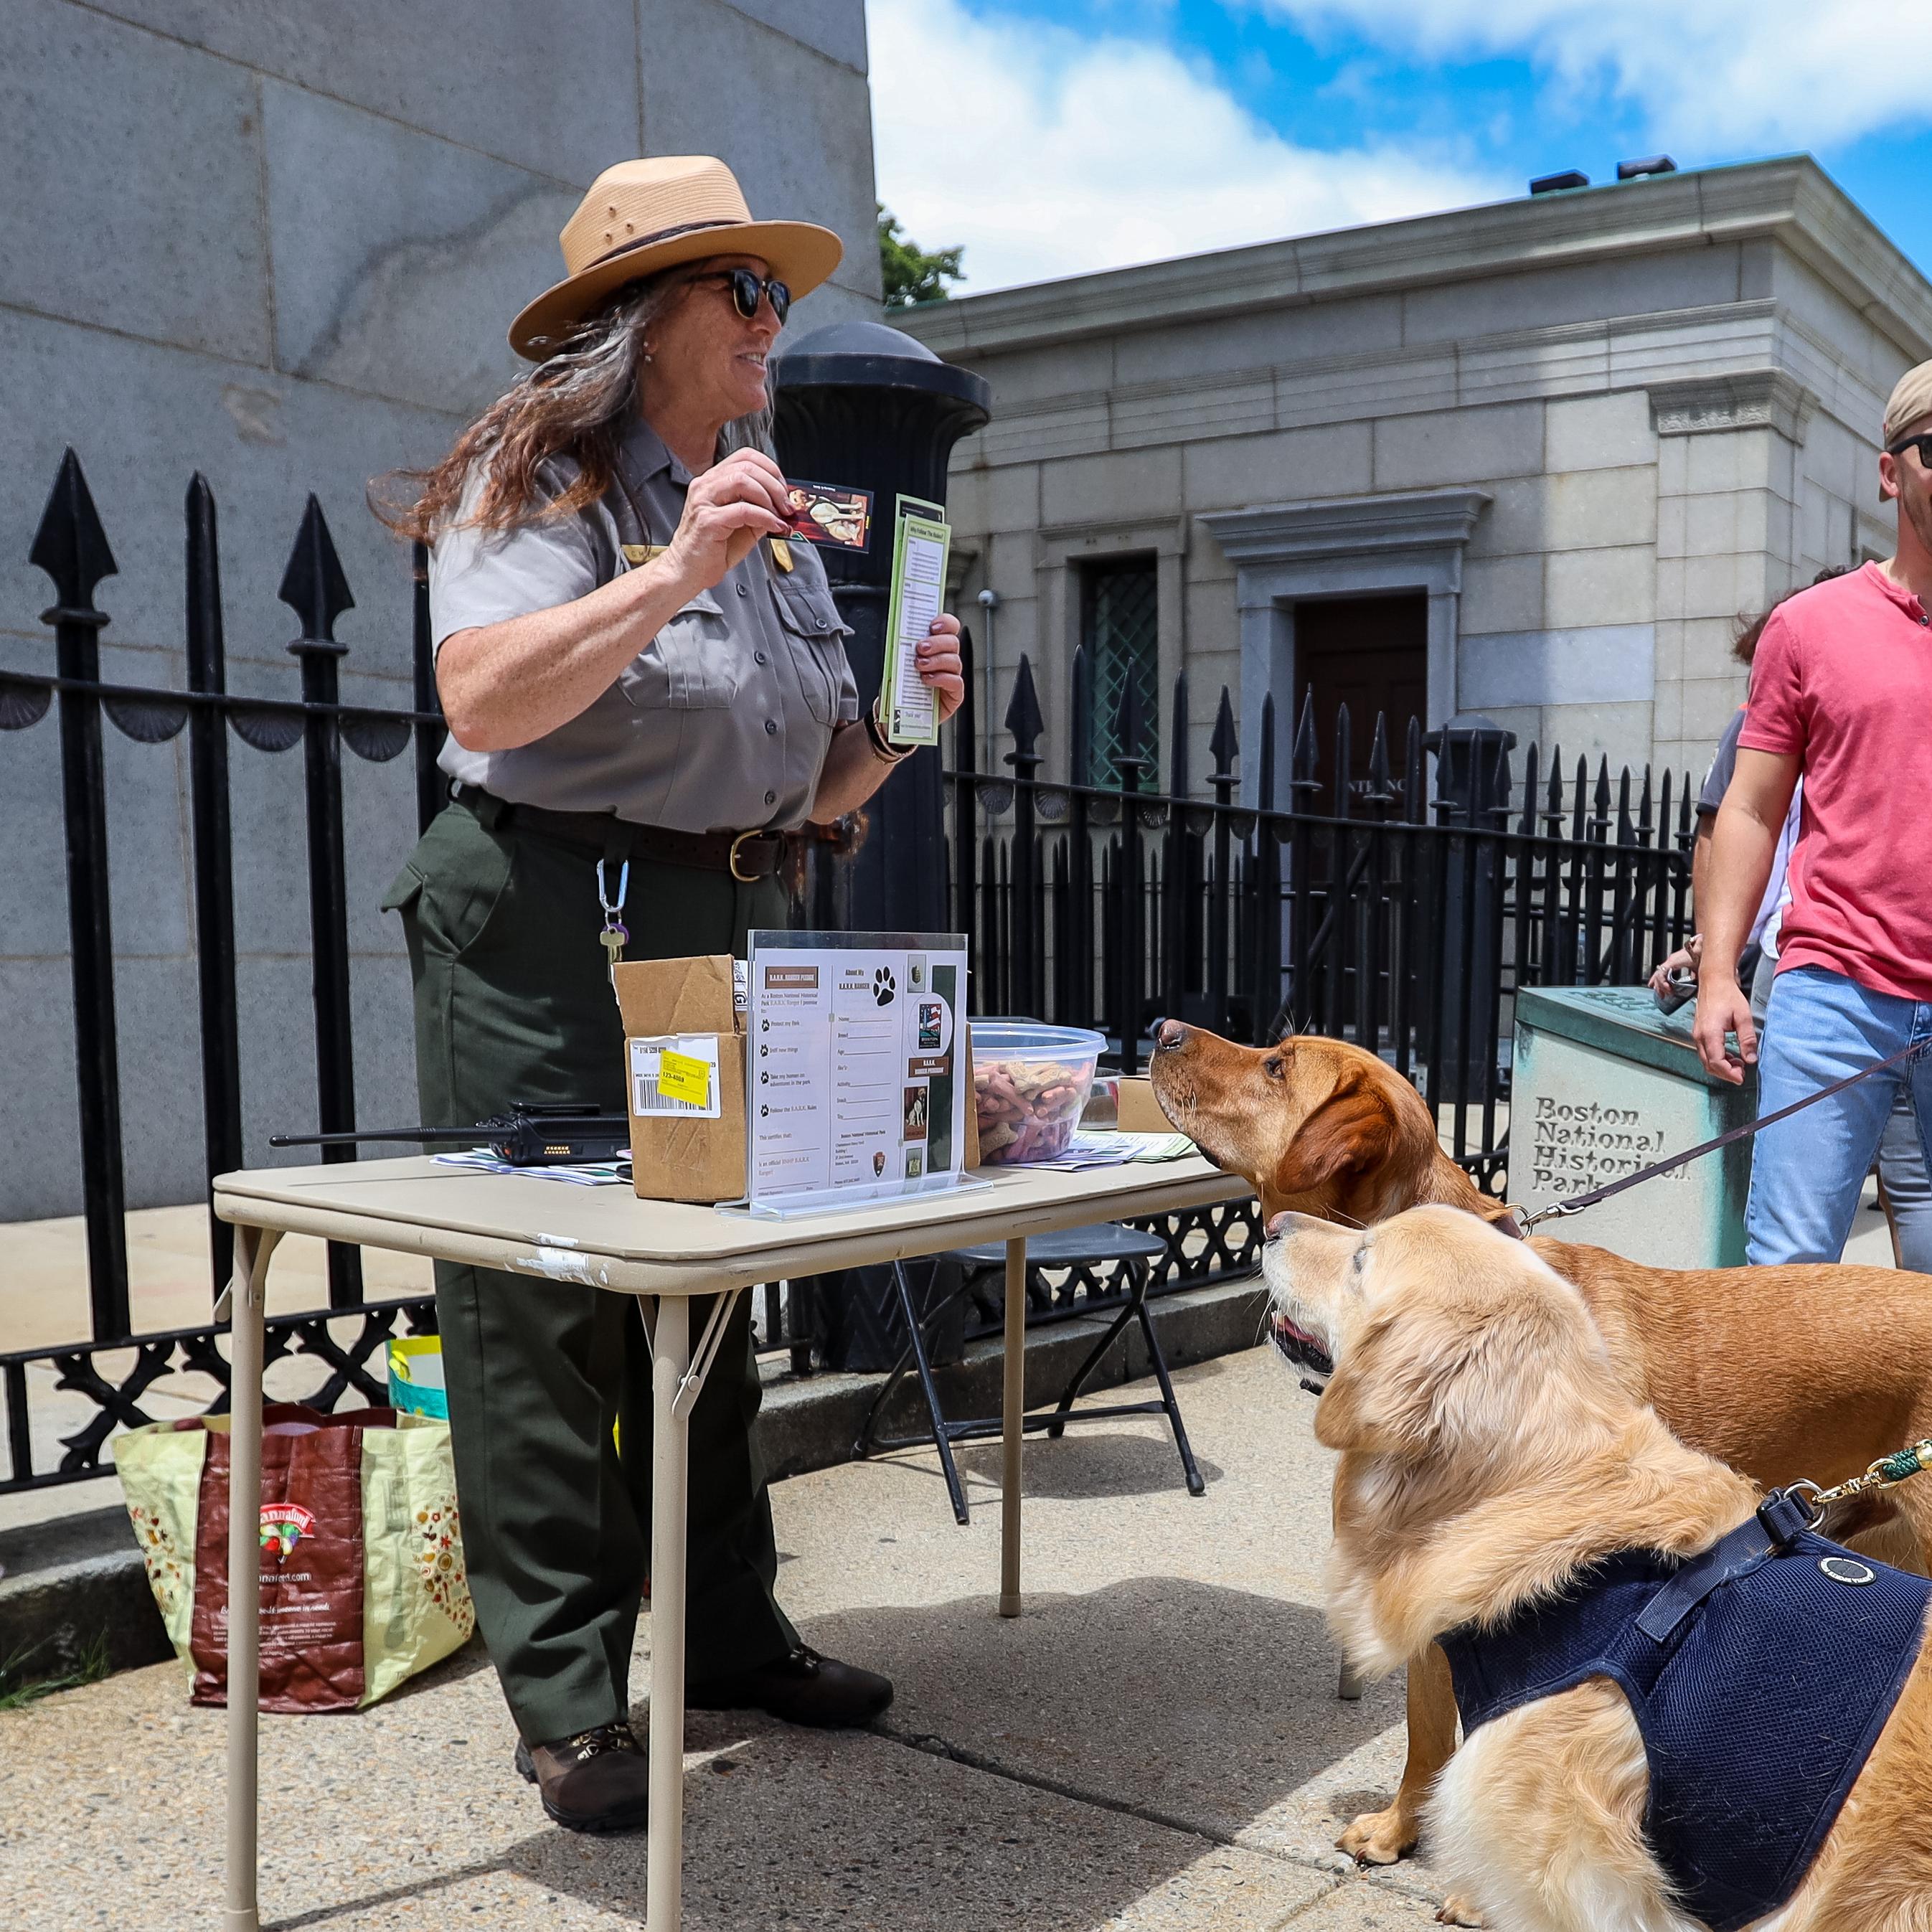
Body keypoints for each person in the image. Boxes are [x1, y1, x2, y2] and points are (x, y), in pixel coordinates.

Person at [372, 156, 965, 1834]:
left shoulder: (760, 506)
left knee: (708, 1287)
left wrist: (911, 723)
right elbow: (482, 692)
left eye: (774, 297)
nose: (774, 326)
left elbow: (818, 790)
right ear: (647, 324)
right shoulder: (542, 475)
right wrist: (673, 571)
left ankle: (721, 1633)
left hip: (713, 898)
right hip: (550, 898)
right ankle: (565, 1695)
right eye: (747, 295)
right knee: (543, 1301)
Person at [1693, 359, 1932, 1266]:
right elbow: (1749, 809)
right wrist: (1718, 973)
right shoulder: (1809, 627)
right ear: (1889, 472)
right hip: (1831, 996)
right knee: (1789, 1281)